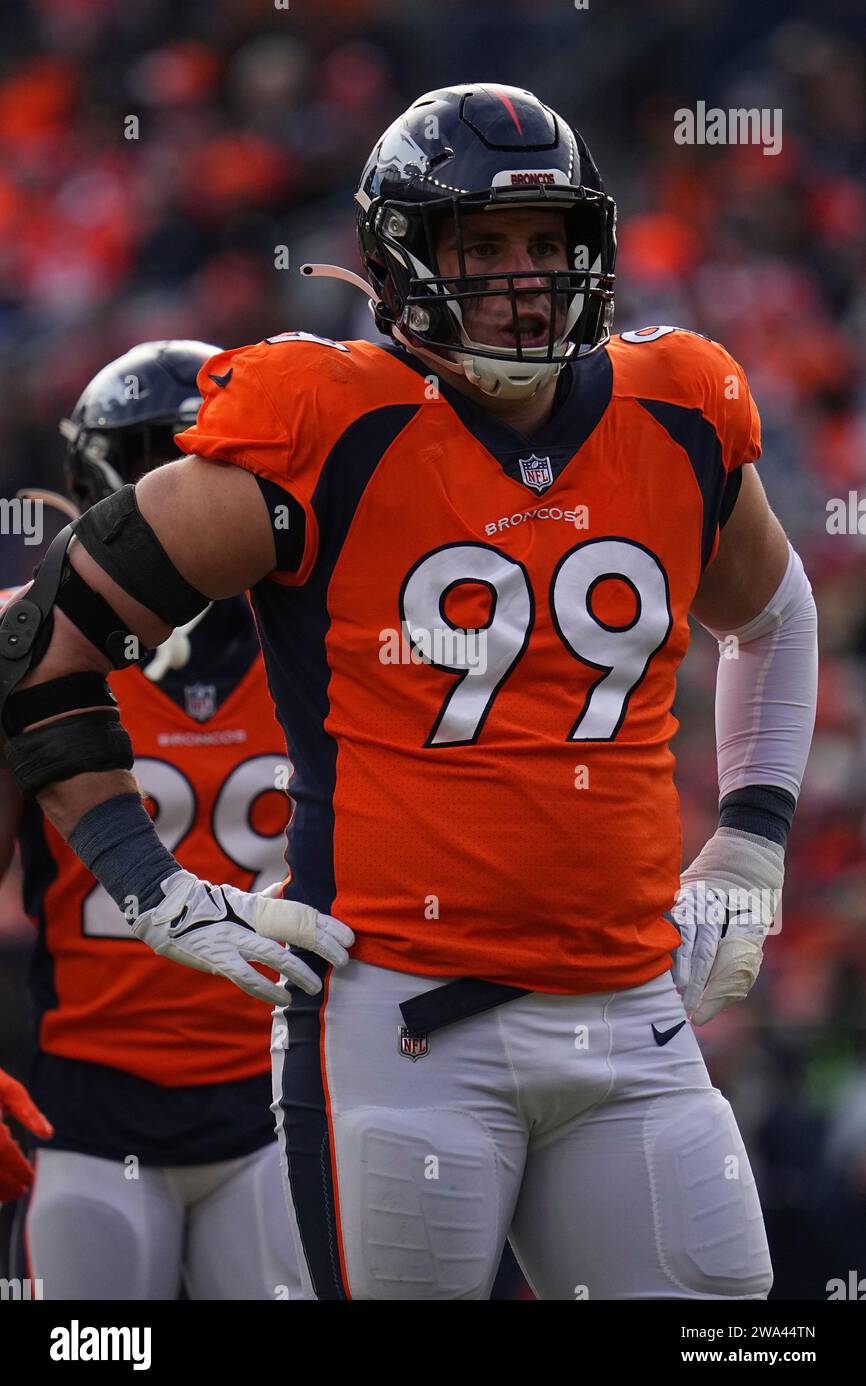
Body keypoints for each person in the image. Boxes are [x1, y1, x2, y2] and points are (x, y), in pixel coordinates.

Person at [0, 84, 818, 1300]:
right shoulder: (322, 420)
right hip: (401, 1029)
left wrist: (748, 846)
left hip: (631, 1016)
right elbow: (39, 646)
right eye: (480, 248)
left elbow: (772, 613)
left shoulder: (680, 405)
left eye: (545, 244)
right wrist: (149, 882)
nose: (523, 279)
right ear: (400, 261)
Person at [0, 341, 303, 1300]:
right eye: (148, 469)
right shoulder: (33, 647)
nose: (172, 496)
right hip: (84, 1114)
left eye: (202, 464)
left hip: (280, 1107)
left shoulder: (323, 645)